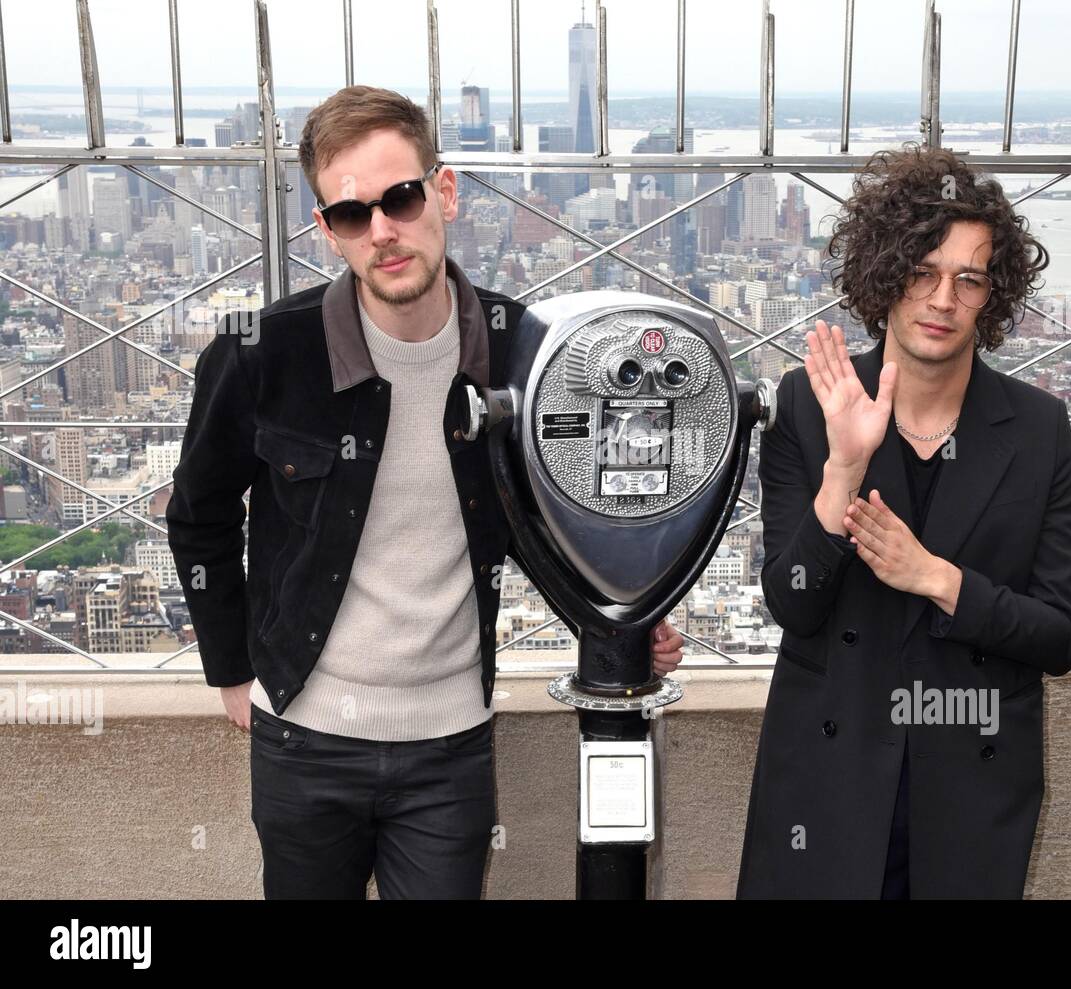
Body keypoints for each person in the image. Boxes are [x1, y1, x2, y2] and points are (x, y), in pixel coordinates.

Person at [166, 85, 684, 899]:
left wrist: (622, 622)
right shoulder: (263, 356)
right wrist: (231, 670)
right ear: (326, 234)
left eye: (401, 197)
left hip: (449, 748)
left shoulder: (525, 356)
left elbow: (556, 515)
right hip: (303, 738)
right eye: (350, 214)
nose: (383, 230)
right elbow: (196, 514)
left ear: (443, 192)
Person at [736, 143, 1071, 899]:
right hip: (827, 789)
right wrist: (845, 467)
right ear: (883, 275)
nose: (942, 299)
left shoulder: (1037, 429)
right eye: (922, 271)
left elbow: (1063, 635)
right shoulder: (809, 401)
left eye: (968, 278)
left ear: (993, 296)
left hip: (970, 793)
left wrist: (939, 579)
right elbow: (791, 600)